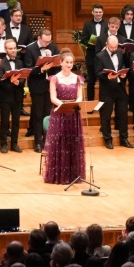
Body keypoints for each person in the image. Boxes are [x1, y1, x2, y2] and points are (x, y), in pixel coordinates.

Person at [43, 50, 86, 185]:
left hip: (73, 114)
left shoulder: (77, 78)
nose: (69, 65)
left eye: (71, 62)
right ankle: (59, 175)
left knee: (73, 142)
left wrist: (74, 103)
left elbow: (80, 96)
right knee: (60, 143)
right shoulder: (55, 78)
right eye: (66, 62)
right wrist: (63, 105)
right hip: (59, 113)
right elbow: (53, 97)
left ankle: (74, 174)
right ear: (61, 63)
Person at [25, 28, 61, 154]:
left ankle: (47, 140)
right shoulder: (30, 49)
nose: (47, 44)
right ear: (39, 38)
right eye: (45, 41)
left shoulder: (54, 47)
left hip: (50, 85)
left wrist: (53, 65)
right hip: (37, 85)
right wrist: (41, 69)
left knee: (48, 114)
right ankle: (38, 142)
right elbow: (28, 69)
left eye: (49, 41)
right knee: (38, 115)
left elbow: (58, 67)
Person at [96, 35, 133, 149]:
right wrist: (108, 76)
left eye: (116, 47)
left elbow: (121, 65)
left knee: (123, 115)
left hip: (120, 88)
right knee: (106, 116)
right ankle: (108, 139)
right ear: (107, 44)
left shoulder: (119, 53)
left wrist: (123, 73)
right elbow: (97, 73)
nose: (114, 49)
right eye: (112, 47)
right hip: (107, 90)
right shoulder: (99, 56)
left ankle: (124, 138)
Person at [0, 38, 26, 154]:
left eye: (14, 48)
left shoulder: (19, 62)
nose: (13, 50)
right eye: (10, 49)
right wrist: (11, 81)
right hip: (6, 97)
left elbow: (23, 78)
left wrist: (17, 82)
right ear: (5, 49)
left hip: (17, 96)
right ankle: (3, 144)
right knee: (4, 121)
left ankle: (14, 143)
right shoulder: (2, 63)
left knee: (16, 121)